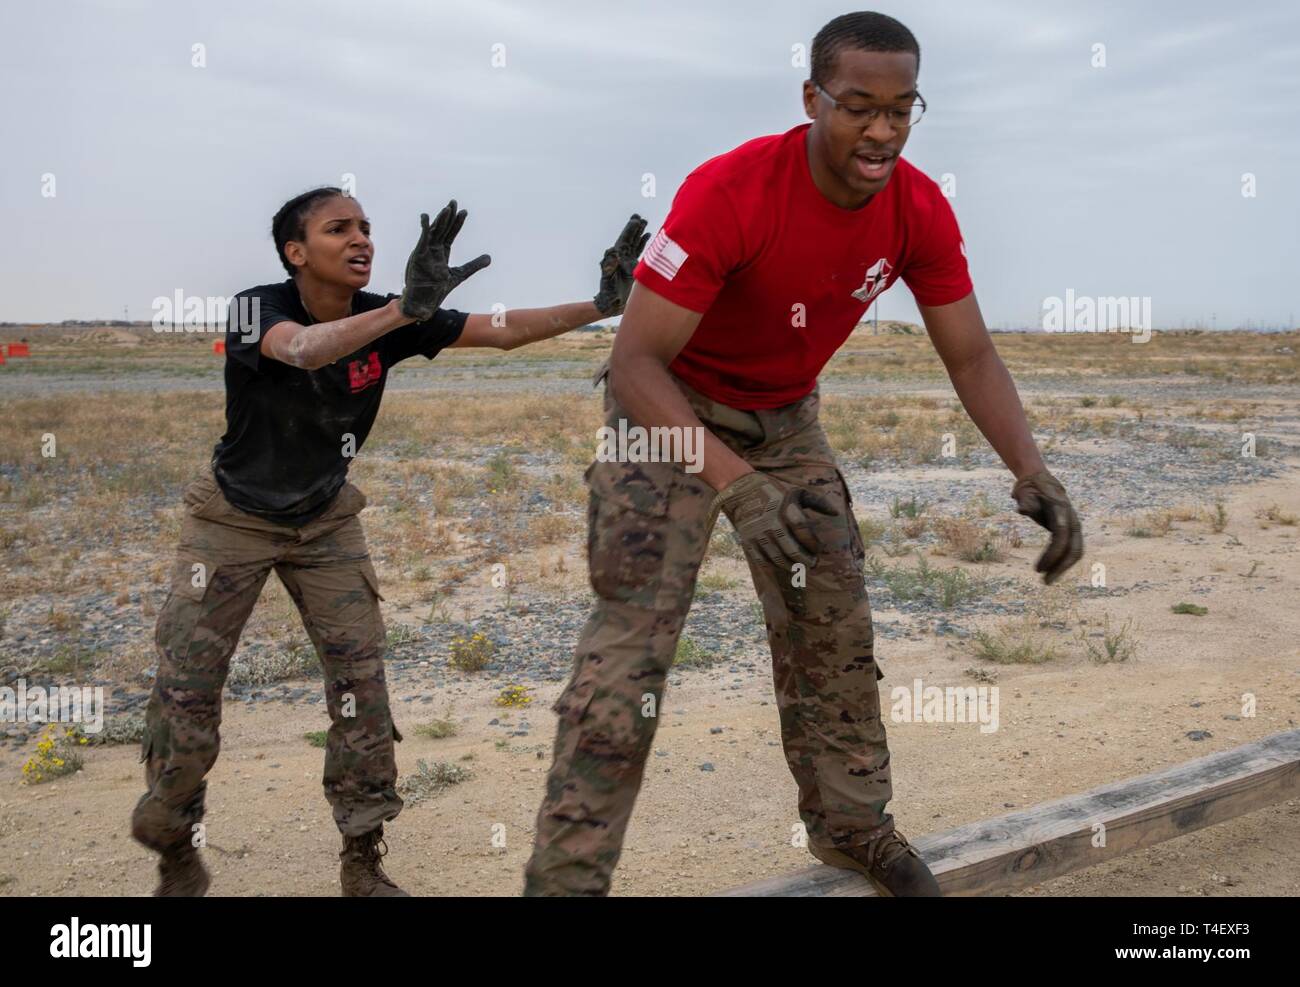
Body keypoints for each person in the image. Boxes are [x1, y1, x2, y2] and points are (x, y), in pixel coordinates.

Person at [524, 11, 1083, 897]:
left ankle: (855, 830)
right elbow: (634, 364)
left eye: (903, 109)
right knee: (628, 659)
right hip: (664, 417)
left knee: (835, 629)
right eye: (860, 107)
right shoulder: (731, 192)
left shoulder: (917, 207)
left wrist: (1030, 468)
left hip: (784, 422)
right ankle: (565, 881)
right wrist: (735, 486)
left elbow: (970, 353)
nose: (882, 131)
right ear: (812, 98)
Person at [131, 186, 648, 896]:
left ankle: (362, 859)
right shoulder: (260, 307)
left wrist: (601, 305)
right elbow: (306, 350)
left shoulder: (397, 314)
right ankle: (172, 842)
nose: (361, 239)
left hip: (326, 519)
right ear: (294, 251)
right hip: (232, 518)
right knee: (187, 691)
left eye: (367, 228)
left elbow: (500, 328)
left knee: (361, 690)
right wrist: (403, 310)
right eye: (338, 228)